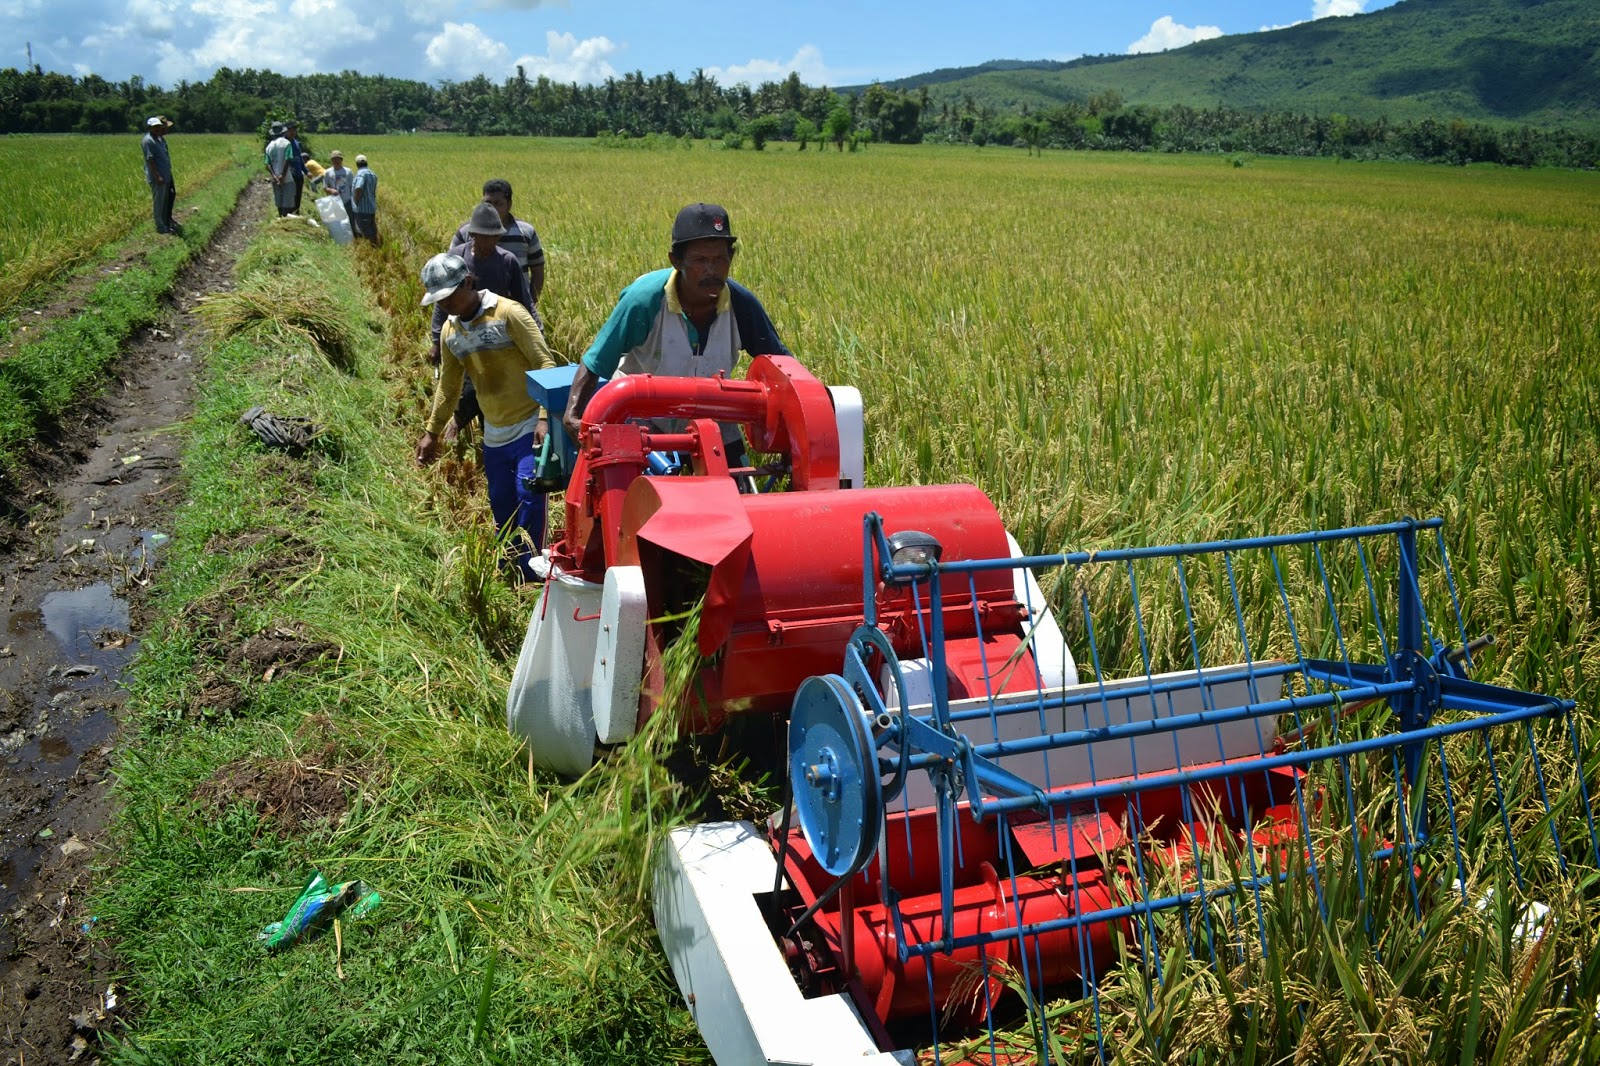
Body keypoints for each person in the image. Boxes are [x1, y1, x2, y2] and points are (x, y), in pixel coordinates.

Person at [562, 202, 789, 453]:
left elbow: (782, 365)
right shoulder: (644, 301)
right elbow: (597, 361)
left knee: (738, 489)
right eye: (700, 260)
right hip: (644, 419)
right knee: (636, 490)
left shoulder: (743, 306)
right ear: (676, 260)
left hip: (709, 419)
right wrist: (573, 414)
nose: (712, 270)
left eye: (720, 259)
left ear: (731, 257)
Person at [415, 253, 555, 578]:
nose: (446, 304)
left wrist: (546, 417)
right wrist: (432, 433)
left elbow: (544, 362)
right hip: (494, 432)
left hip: (529, 424)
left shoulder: (508, 314)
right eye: (440, 300)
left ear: (467, 282)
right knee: (502, 503)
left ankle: (532, 578)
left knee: (529, 498)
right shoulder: (450, 334)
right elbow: (449, 388)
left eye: (450, 295)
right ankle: (510, 569)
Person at [431, 202, 534, 444]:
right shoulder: (458, 259)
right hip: (462, 333)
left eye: (494, 238)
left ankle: (489, 438)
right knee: (463, 384)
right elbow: (440, 302)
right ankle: (461, 426)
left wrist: (535, 332)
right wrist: (437, 338)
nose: (489, 243)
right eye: (483, 237)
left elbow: (524, 303)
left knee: (492, 386)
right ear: (472, 234)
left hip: (499, 336)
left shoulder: (507, 261)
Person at [452, 179, 546, 311]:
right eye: (488, 203)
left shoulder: (526, 232)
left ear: (509, 205)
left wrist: (530, 302)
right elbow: (450, 271)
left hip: (514, 308)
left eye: (498, 203)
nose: (492, 208)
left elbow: (538, 271)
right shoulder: (466, 232)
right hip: (471, 309)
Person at [141, 115, 178, 235]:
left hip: (165, 174)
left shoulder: (158, 139)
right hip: (158, 177)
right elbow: (150, 160)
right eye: (154, 127)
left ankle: (165, 223)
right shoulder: (148, 141)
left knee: (165, 201)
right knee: (159, 202)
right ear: (150, 128)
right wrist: (158, 176)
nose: (157, 129)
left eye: (158, 126)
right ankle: (160, 226)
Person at [265, 122, 296, 218]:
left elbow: (267, 163)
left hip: (275, 178)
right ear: (283, 132)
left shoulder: (269, 146)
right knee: (288, 202)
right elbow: (288, 159)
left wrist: (274, 176)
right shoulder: (286, 143)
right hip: (286, 177)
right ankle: (284, 219)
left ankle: (280, 218)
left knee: (279, 201)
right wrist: (282, 175)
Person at [350, 155, 378, 242]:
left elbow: (358, 187)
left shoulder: (361, 174)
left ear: (357, 164)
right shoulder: (373, 174)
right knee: (372, 229)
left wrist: (356, 200)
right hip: (371, 207)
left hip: (362, 209)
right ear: (366, 163)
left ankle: (372, 250)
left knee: (365, 232)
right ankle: (377, 246)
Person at [323, 150, 355, 218]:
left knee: (350, 221)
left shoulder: (348, 171)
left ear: (341, 160)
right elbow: (325, 187)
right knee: (338, 222)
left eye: (338, 159)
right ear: (331, 160)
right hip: (334, 202)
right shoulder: (328, 172)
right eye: (334, 159)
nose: (336, 161)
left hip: (347, 202)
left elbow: (352, 187)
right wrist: (331, 191)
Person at [285, 121, 308, 214]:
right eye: (290, 130)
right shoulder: (284, 143)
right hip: (289, 174)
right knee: (290, 197)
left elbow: (299, 158)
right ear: (286, 131)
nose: (293, 132)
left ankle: (296, 213)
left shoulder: (296, 142)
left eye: (294, 130)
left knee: (298, 196)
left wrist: (306, 171)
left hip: (298, 173)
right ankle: (289, 215)